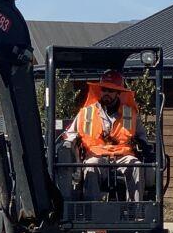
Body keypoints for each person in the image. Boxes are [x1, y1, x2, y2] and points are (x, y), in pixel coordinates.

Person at [62, 70, 147, 200]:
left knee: (136, 166)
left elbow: (141, 136)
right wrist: (69, 143)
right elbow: (71, 134)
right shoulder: (86, 113)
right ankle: (92, 211)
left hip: (122, 156)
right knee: (90, 167)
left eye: (110, 90)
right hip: (96, 155)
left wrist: (143, 144)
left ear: (118, 92)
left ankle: (135, 211)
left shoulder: (130, 114)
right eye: (104, 89)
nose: (106, 93)